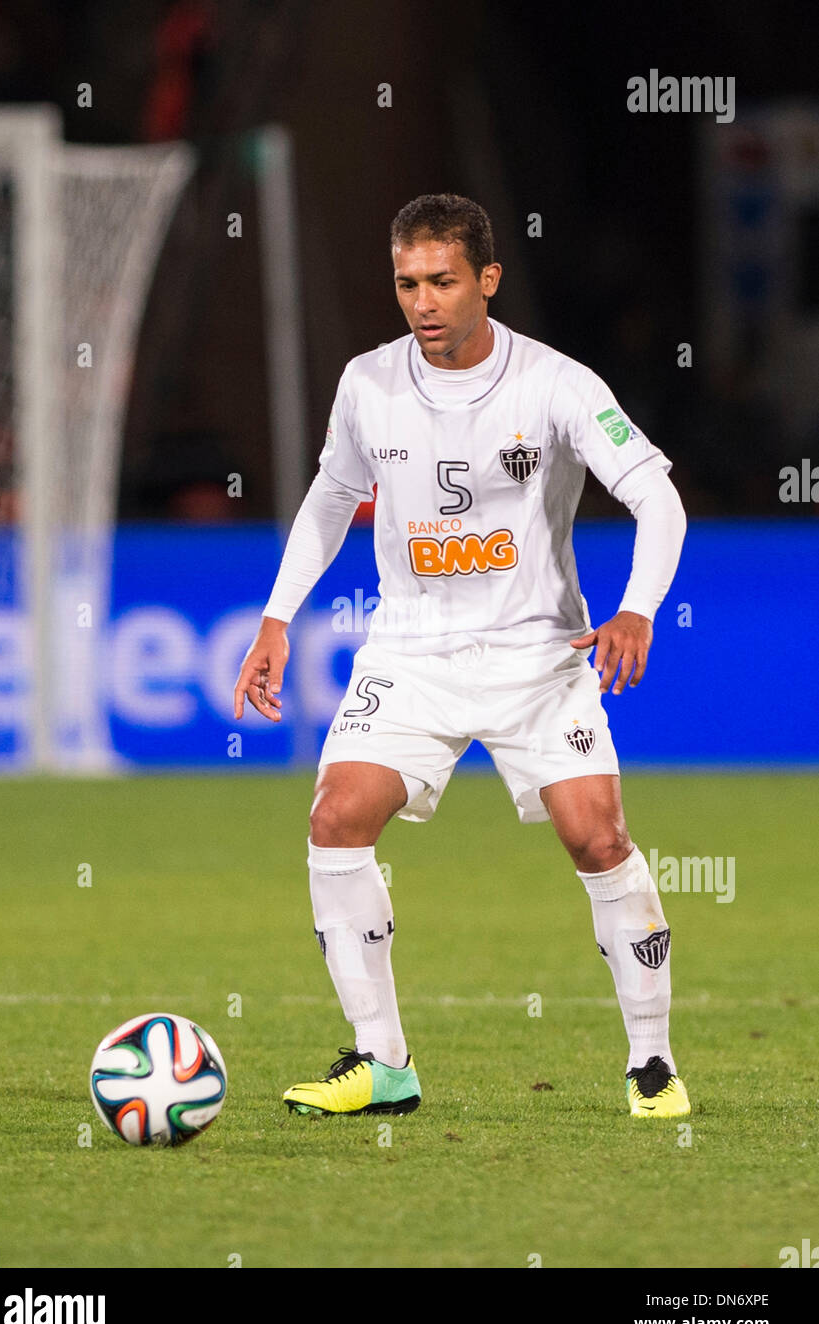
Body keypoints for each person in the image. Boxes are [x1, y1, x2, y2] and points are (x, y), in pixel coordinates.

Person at [234, 193, 690, 1120]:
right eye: (406, 283)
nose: (422, 302)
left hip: (538, 654)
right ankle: (383, 1063)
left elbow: (659, 502)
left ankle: (652, 1064)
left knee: (597, 838)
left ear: (486, 278)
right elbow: (330, 500)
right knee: (335, 819)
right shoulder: (369, 382)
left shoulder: (559, 383)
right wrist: (277, 617)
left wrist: (637, 609)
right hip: (410, 651)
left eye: (441, 281)